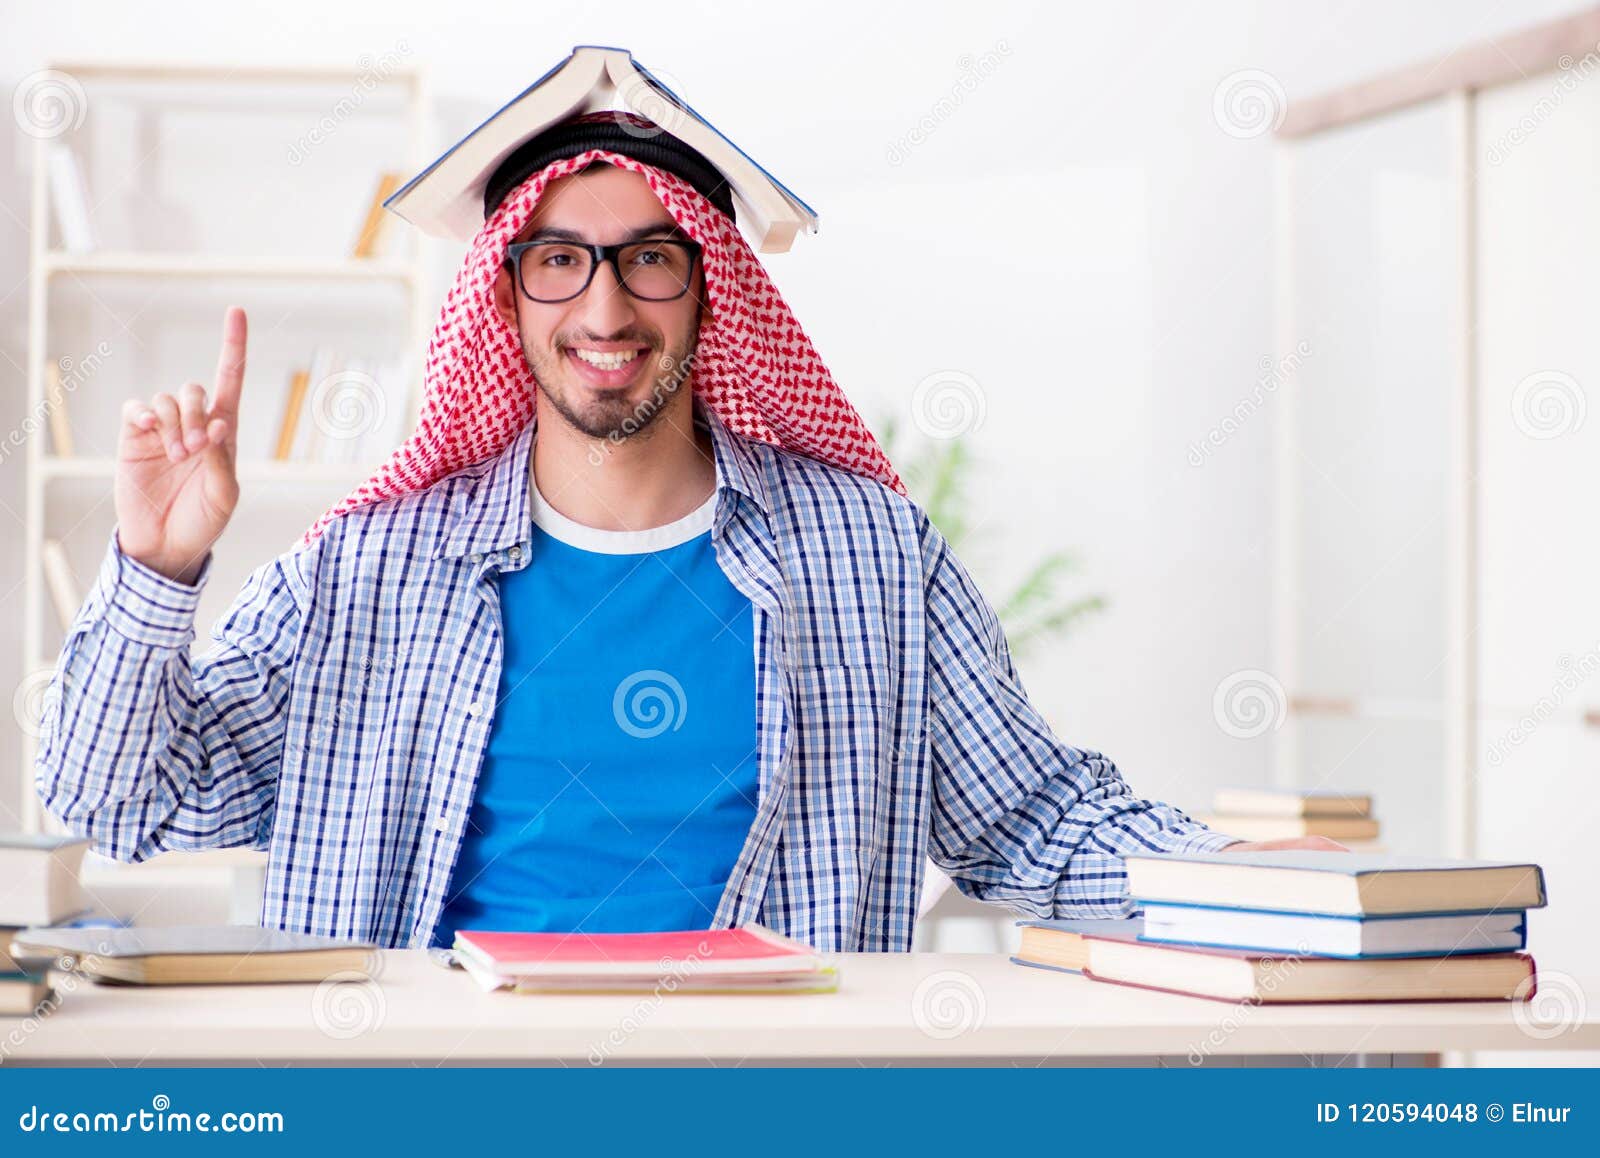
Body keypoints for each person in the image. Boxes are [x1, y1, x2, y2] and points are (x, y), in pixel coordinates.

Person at [36, 107, 1341, 953]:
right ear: (508, 294)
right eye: (560, 257)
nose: (605, 303)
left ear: (713, 287)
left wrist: (1265, 885)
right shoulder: (367, 569)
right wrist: (157, 567)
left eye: (651, 257)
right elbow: (117, 799)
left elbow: (1035, 819)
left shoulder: (869, 560)